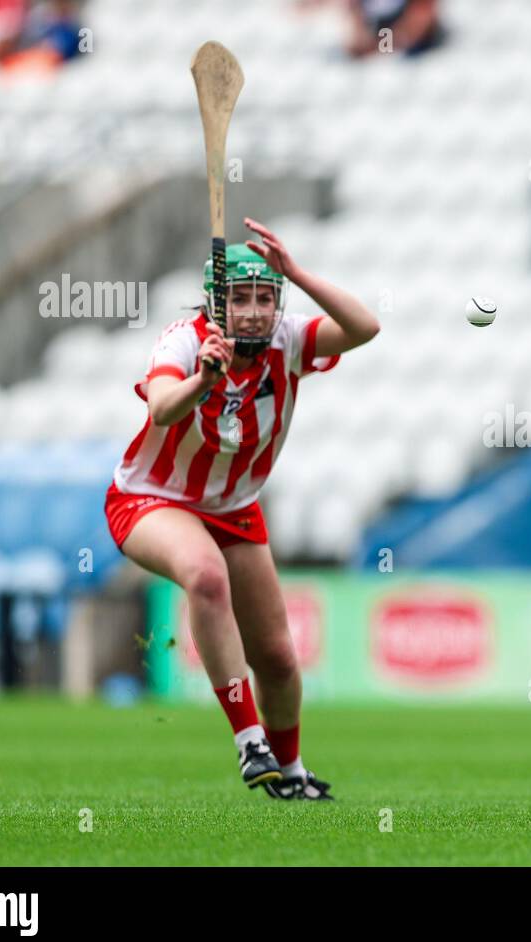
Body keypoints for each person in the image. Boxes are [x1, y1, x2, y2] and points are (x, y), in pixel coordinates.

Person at [103, 218, 380, 800]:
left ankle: (292, 772)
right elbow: (160, 411)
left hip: (235, 507)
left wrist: (297, 272)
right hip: (153, 497)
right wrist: (204, 378)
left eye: (264, 297)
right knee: (206, 576)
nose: (254, 311)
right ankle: (248, 739)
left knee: (278, 657)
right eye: (241, 297)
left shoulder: (290, 340)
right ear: (216, 302)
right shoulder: (185, 341)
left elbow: (365, 327)